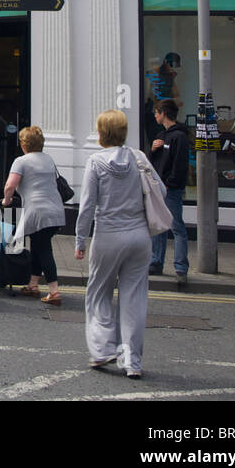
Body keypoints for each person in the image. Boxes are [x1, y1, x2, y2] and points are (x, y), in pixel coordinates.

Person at [76, 109, 155, 379]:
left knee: (98, 293)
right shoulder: (139, 157)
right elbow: (161, 190)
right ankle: (132, 361)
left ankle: (102, 349)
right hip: (140, 235)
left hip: (108, 235)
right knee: (134, 299)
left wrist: (80, 239)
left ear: (101, 133)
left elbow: (87, 206)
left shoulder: (95, 162)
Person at [2, 126, 66, 304]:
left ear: (24, 144)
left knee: (44, 250)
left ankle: (54, 291)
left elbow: (9, 186)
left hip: (38, 212)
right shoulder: (48, 159)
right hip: (55, 210)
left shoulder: (21, 161)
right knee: (38, 245)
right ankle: (33, 285)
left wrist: (7, 200)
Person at [147, 99, 189, 283]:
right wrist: (153, 150)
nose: (155, 116)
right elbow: (153, 163)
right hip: (160, 187)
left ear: (163, 113)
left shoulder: (179, 137)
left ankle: (180, 268)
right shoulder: (161, 135)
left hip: (170, 189)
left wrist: (170, 184)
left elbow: (180, 164)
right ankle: (156, 262)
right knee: (159, 226)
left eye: (156, 112)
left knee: (176, 227)